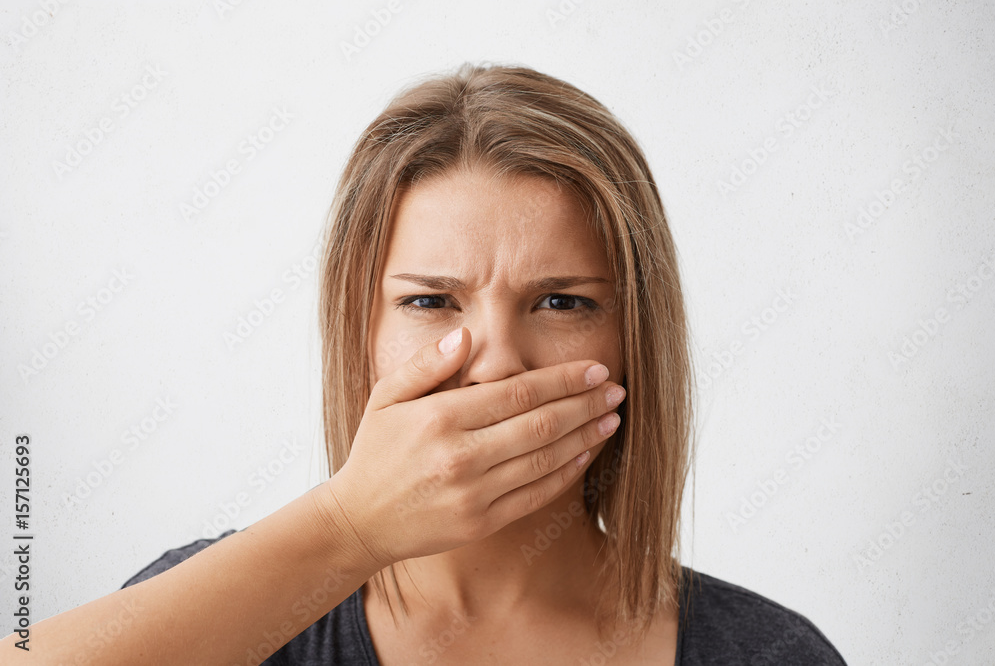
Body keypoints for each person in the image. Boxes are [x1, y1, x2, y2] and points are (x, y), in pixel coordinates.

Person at [2, 62, 847, 665]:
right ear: (360, 331)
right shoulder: (233, 615)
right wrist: (348, 529)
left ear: (634, 339)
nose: (496, 366)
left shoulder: (769, 651)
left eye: (562, 302)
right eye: (430, 301)